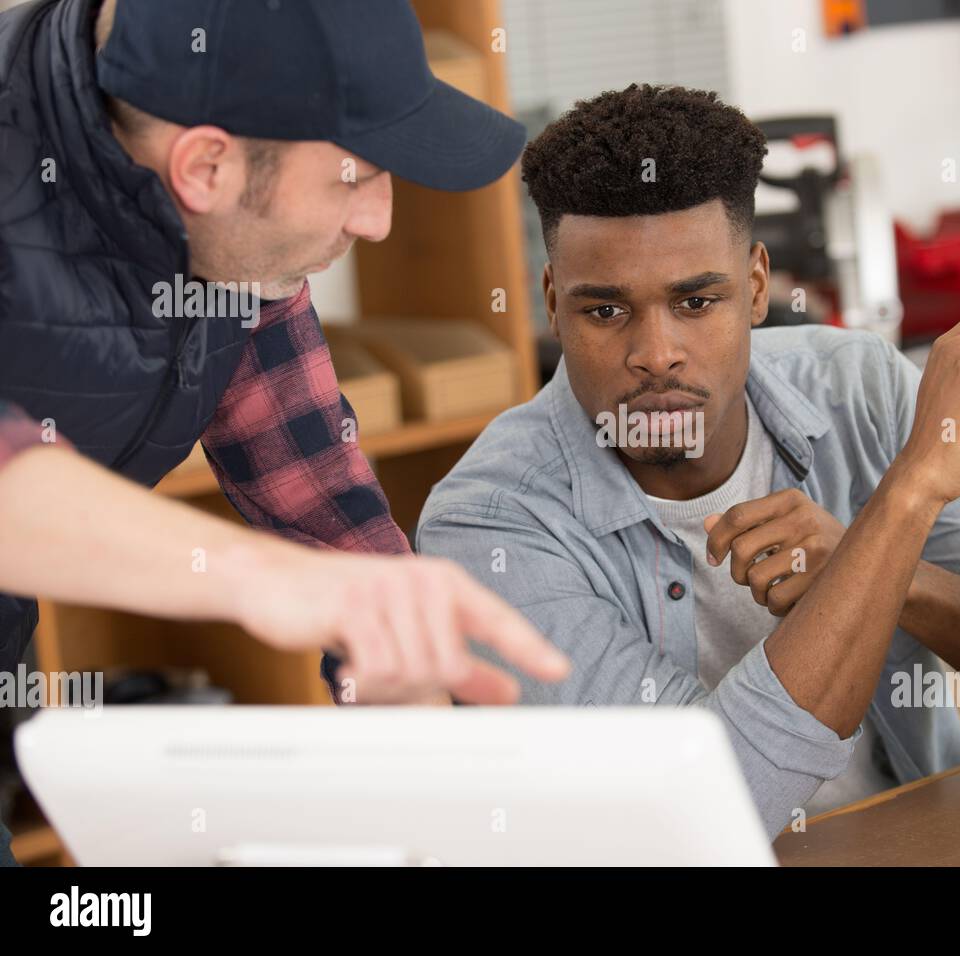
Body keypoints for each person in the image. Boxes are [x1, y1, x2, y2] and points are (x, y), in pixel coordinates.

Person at [413, 85, 960, 837]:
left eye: (697, 303)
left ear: (756, 287)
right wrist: (905, 503)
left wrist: (888, 575)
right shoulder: (487, 526)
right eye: (605, 311)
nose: (656, 355)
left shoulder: (865, 389)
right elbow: (702, 812)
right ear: (553, 300)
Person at [0, 0, 569, 866]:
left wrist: (411, 703)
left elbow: (315, 491)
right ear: (205, 166)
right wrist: (265, 582)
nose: (380, 219)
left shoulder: (236, 244)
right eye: (356, 175)